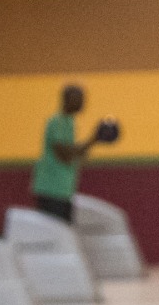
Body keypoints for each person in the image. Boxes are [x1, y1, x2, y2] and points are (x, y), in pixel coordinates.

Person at [31, 83, 116, 224]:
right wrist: (93, 139)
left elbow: (74, 153)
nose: (82, 102)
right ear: (66, 99)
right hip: (50, 189)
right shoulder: (56, 122)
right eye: (78, 98)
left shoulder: (69, 123)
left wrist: (93, 142)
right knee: (55, 234)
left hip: (64, 190)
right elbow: (65, 155)